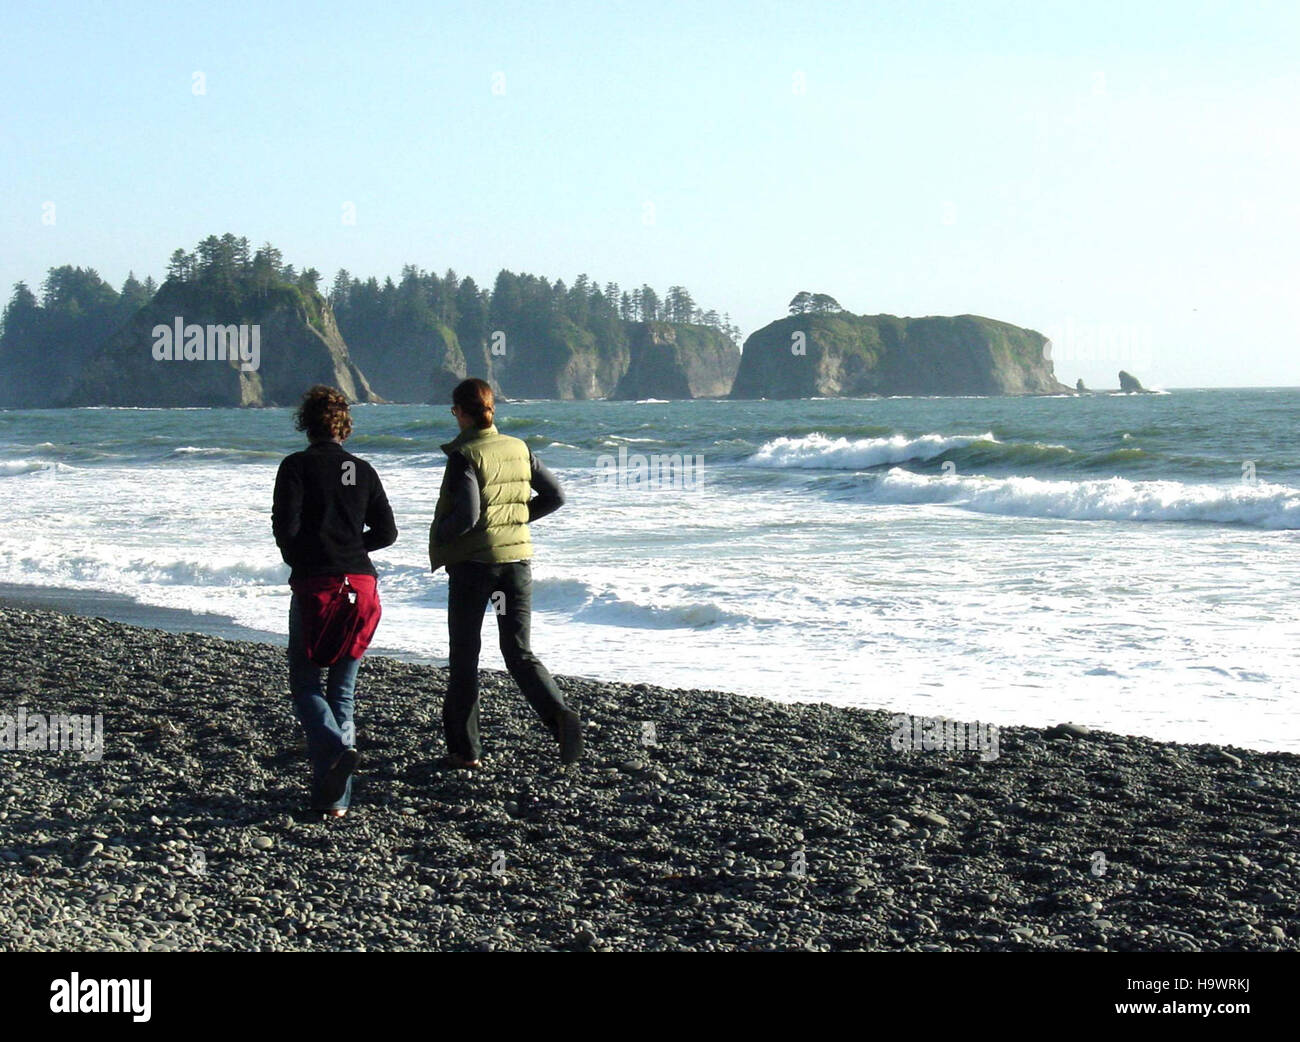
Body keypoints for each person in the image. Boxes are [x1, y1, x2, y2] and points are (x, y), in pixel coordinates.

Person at [429, 378, 582, 768]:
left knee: (465, 654)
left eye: (454, 411)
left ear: (460, 412)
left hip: (473, 568)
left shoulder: (464, 454)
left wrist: (439, 534)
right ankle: (559, 715)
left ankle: (466, 751)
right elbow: (556, 496)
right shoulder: (519, 447)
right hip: (516, 565)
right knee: (517, 650)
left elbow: (467, 516)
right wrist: (515, 519)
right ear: (491, 408)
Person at [273, 385, 397, 816]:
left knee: (306, 684)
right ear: (345, 424)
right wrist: (349, 546)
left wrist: (308, 555)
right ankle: (335, 799)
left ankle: (334, 748)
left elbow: (285, 529)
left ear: (306, 423)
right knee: (341, 692)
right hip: (362, 586)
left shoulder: (295, 466)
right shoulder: (362, 470)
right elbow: (387, 533)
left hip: (317, 586)